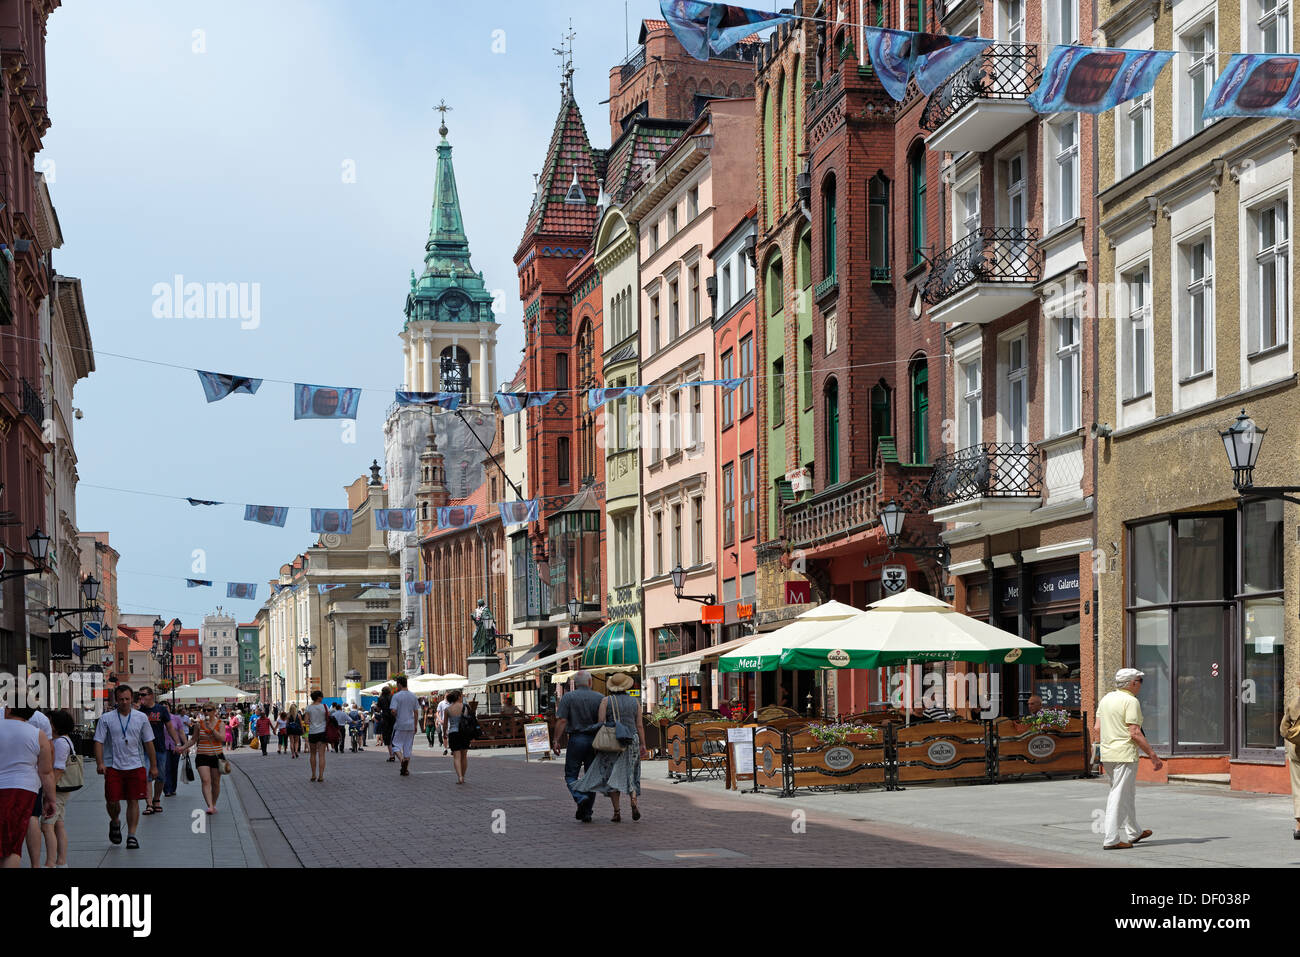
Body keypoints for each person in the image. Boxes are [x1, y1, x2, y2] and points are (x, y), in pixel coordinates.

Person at [1094, 668, 1163, 849]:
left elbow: (1097, 728)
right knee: (1119, 794)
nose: (1141, 685)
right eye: (1140, 681)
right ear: (1132, 683)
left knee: (1127, 792)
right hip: (1124, 754)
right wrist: (1152, 755)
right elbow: (1134, 732)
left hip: (1108, 753)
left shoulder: (1106, 699)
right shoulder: (1131, 701)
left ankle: (1134, 831)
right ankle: (1111, 838)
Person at [574, 672, 646, 823]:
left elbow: (601, 723)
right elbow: (639, 725)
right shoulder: (635, 702)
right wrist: (643, 744)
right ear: (627, 686)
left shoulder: (606, 701)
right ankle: (633, 801)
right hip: (632, 740)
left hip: (613, 742)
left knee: (613, 776)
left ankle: (617, 812)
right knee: (630, 772)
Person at [93, 684, 158, 850]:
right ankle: (115, 821)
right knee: (112, 800)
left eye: (127, 699)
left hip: (136, 764)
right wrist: (100, 763)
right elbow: (98, 741)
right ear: (116, 699)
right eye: (121, 699)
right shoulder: (106, 719)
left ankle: (132, 835)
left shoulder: (141, 718)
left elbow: (149, 742)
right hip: (113, 765)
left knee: (133, 800)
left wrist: (153, 766)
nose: (124, 702)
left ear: (132, 699)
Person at [0, 707, 56, 869]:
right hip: (23, 790)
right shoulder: (38, 734)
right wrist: (50, 799)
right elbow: (46, 772)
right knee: (12, 848)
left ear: (9, 708)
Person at [552, 671, 603, 822]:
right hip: (594, 740)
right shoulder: (600, 698)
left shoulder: (568, 697)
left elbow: (562, 720)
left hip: (576, 739)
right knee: (590, 776)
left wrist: (556, 740)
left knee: (570, 774)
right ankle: (587, 812)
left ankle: (580, 797)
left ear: (576, 682)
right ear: (589, 682)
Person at [139, 687, 182, 815]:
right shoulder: (140, 711)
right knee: (146, 775)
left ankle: (156, 799)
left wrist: (177, 743)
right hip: (145, 749)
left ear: (151, 695)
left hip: (160, 747)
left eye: (143, 695)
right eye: (139, 695)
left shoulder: (161, 710)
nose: (141, 697)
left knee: (161, 776)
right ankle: (149, 804)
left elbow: (170, 728)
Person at [42, 709, 76, 867]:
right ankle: (61, 862)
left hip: (58, 790)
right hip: (60, 790)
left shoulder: (61, 742)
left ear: (55, 726)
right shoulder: (61, 740)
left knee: (47, 825)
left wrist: (49, 792)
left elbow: (59, 769)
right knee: (58, 824)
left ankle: (51, 863)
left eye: (49, 722)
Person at [191, 704, 226, 814]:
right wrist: (182, 747)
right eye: (204, 710)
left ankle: (213, 803)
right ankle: (210, 806)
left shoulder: (220, 723)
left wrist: (212, 730)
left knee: (215, 783)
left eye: (209, 710)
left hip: (216, 756)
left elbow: (222, 739)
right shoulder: (199, 725)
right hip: (202, 755)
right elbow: (193, 740)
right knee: (205, 780)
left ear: (214, 711)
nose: (206, 712)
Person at [1280, 677, 1300, 838]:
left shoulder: (1294, 702)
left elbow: (1283, 728)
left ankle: (1299, 825)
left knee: (1298, 787)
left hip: (1297, 748)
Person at [389, 676, 420, 776]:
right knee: (407, 747)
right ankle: (405, 769)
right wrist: (415, 725)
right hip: (411, 725)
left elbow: (393, 710)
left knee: (395, 745)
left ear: (399, 684)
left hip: (400, 725)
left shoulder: (396, 696)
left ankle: (402, 761)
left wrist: (395, 714)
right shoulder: (413, 696)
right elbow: (416, 712)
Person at [442, 690, 473, 784]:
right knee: (464, 756)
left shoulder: (447, 709)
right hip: (464, 733)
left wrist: (444, 733)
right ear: (459, 697)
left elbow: (445, 724)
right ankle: (463, 775)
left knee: (456, 756)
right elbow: (470, 720)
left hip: (453, 733)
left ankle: (459, 777)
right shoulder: (466, 707)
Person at [163, 706, 190, 798]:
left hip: (176, 746)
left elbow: (181, 732)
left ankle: (173, 788)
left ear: (170, 709)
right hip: (164, 747)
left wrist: (186, 745)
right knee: (166, 768)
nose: (165, 709)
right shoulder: (159, 719)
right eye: (163, 708)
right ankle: (167, 790)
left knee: (174, 768)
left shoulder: (176, 718)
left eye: (166, 707)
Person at [305, 691, 330, 783]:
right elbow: (328, 718)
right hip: (322, 732)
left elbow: (306, 721)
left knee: (312, 754)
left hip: (312, 732)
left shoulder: (308, 708)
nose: (322, 698)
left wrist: (312, 722)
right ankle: (321, 776)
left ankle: (313, 775)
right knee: (321, 755)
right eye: (322, 696)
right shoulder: (325, 707)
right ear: (319, 697)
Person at [375, 686, 395, 761]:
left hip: (385, 719)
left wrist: (377, 708)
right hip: (393, 718)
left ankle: (391, 755)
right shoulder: (393, 697)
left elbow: (378, 709)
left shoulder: (381, 698)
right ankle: (397, 752)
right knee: (394, 736)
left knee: (387, 737)